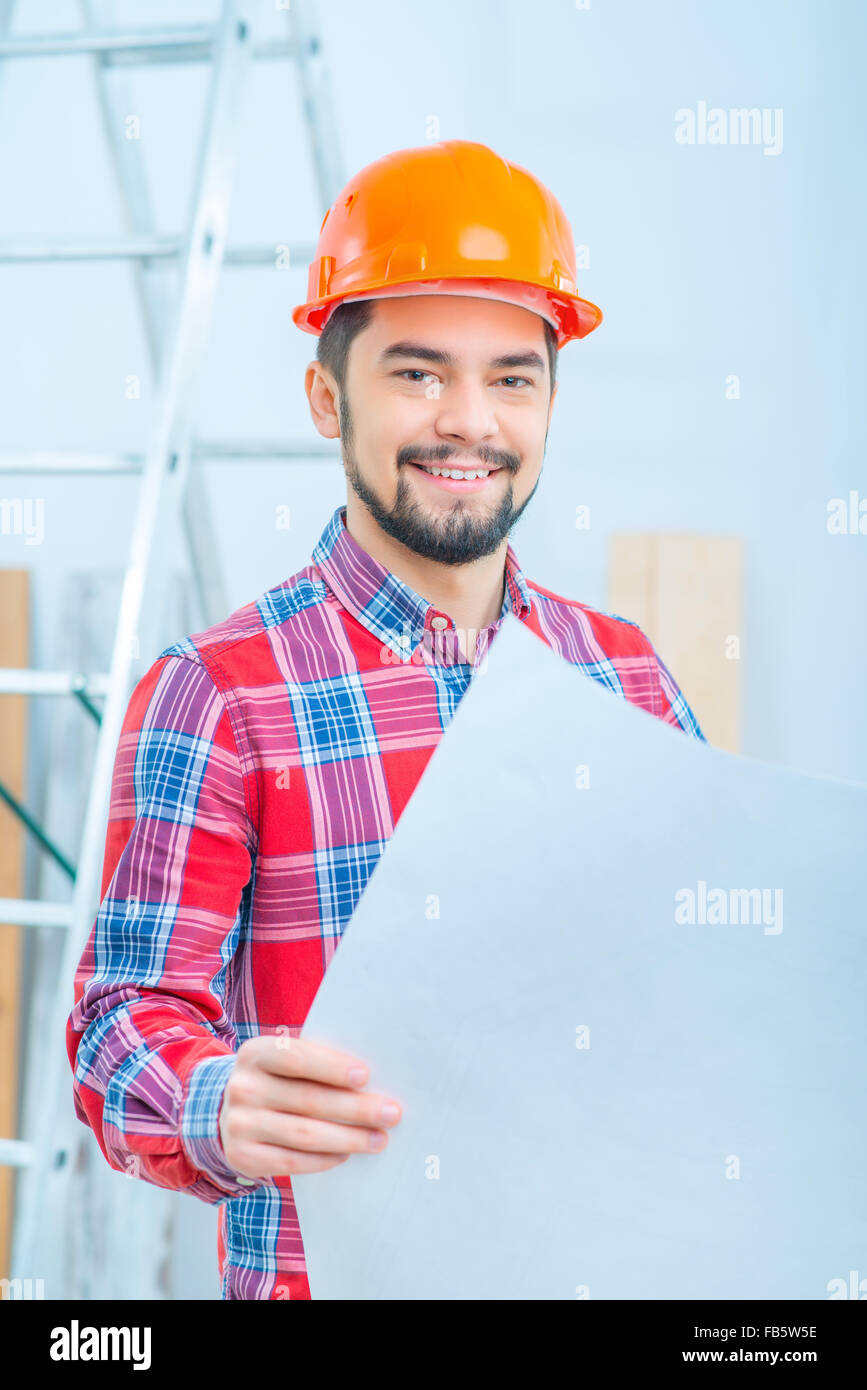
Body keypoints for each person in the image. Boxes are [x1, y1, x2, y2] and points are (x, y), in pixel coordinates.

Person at [66, 139, 706, 1300]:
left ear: (551, 401)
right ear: (328, 397)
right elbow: (121, 1026)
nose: (470, 421)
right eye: (418, 373)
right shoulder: (220, 695)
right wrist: (214, 1099)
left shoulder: (627, 680)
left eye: (512, 378)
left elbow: (705, 976)